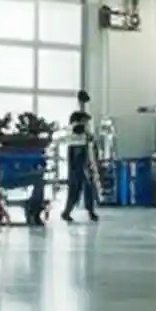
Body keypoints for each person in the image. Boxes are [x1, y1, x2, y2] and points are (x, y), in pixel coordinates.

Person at [62, 90, 99, 223]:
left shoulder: (75, 127)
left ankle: (74, 211)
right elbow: (81, 129)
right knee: (81, 185)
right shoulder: (76, 127)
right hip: (79, 155)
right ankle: (73, 211)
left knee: (80, 186)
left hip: (78, 155)